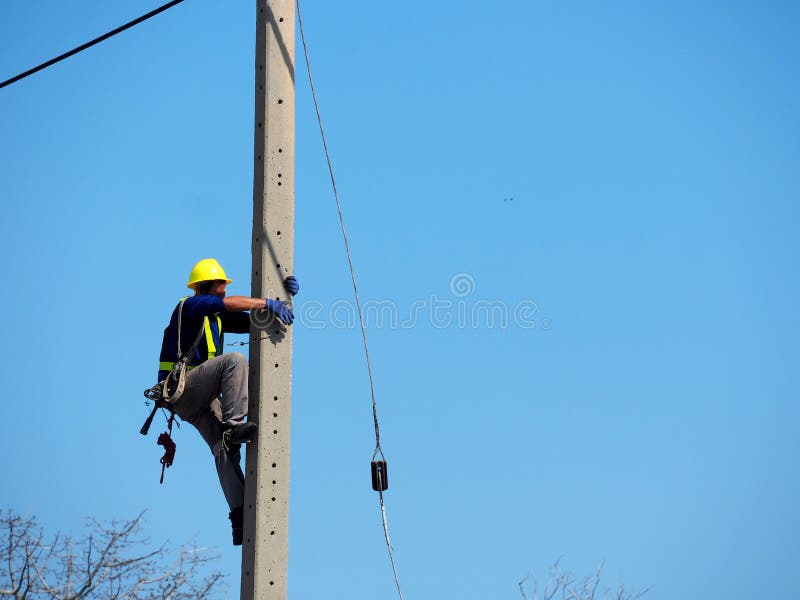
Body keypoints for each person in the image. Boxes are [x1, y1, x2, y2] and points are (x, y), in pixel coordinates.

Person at [157, 258, 299, 545]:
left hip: (197, 399)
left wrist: (285, 298)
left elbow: (258, 320)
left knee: (224, 449)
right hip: (184, 389)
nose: (222, 297)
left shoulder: (216, 316)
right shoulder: (189, 306)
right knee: (234, 360)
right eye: (219, 292)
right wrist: (265, 302)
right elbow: (234, 305)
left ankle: (239, 519)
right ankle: (235, 424)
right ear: (201, 289)